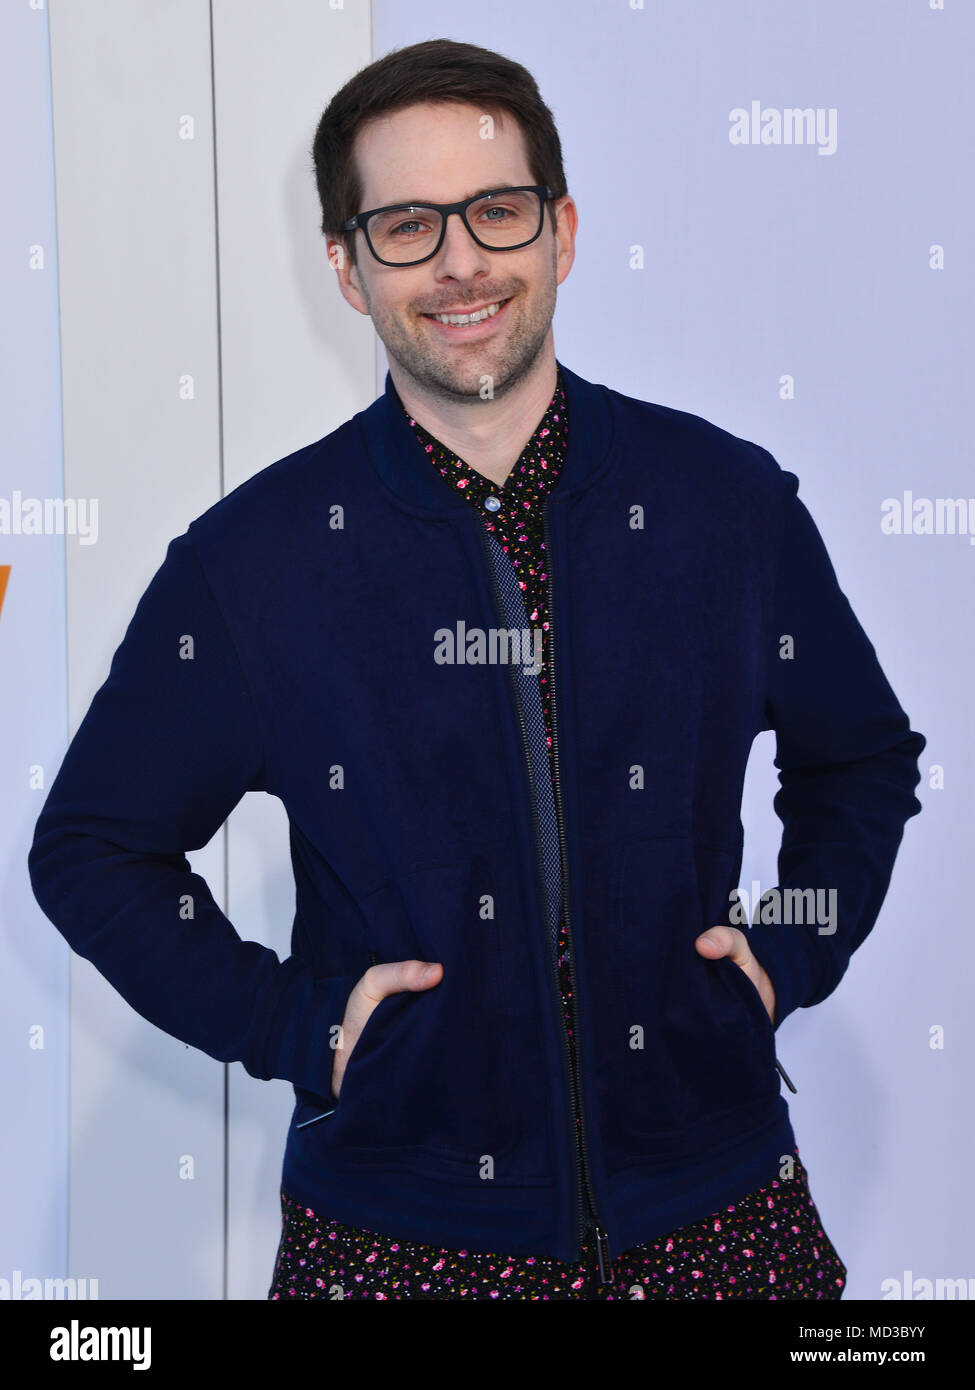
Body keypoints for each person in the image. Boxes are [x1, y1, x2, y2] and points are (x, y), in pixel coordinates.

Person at [28, 38, 925, 1302]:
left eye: (495, 211)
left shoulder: (727, 504)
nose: (460, 261)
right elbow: (89, 847)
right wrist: (297, 1025)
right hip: (395, 1239)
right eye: (406, 224)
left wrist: (791, 950)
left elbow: (865, 758)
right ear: (345, 267)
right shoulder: (254, 565)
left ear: (560, 230)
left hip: (722, 1214)